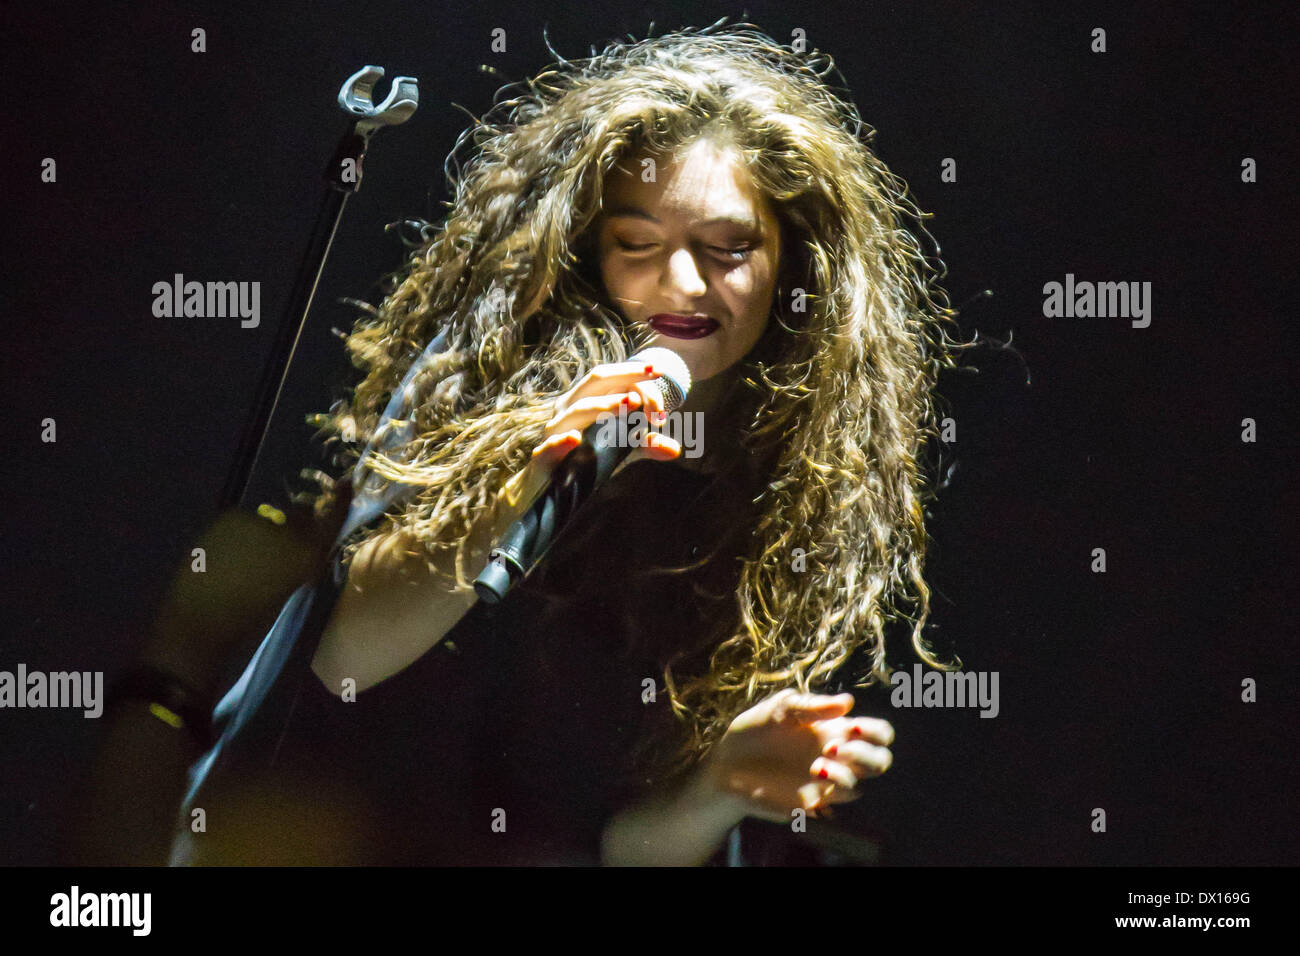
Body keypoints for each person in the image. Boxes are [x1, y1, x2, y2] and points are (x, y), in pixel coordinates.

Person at [73, 23, 966, 867]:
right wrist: (529, 475)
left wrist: (718, 790)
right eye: (638, 243)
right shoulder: (485, 379)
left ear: (793, 261)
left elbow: (616, 847)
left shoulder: (798, 492)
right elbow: (344, 658)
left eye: (729, 248)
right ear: (586, 246)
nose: (682, 282)